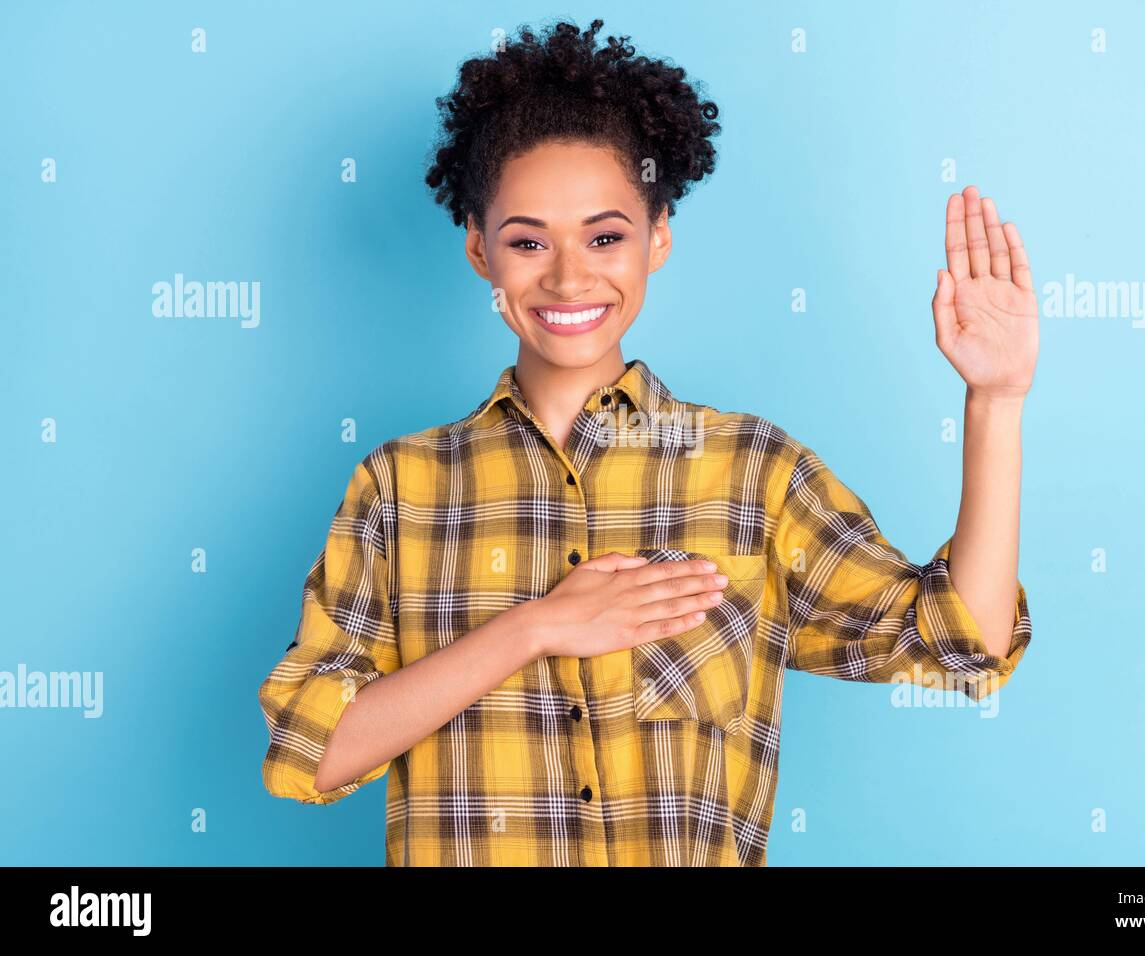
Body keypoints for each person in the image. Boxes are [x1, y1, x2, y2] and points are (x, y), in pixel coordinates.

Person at [258, 17, 1036, 866]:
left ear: (657, 237)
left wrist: (995, 400)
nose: (567, 276)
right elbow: (311, 749)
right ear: (480, 249)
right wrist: (536, 629)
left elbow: (962, 649)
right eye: (527, 241)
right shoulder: (399, 487)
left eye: (605, 236)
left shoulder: (751, 471)